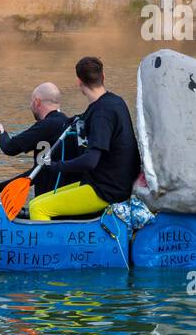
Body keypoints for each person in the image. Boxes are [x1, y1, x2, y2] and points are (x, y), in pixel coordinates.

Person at [25, 57, 141, 221]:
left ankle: (53, 247)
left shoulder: (101, 113)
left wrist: (55, 165)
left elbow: (90, 161)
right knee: (35, 201)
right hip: (109, 182)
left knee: (39, 208)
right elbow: (86, 118)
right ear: (103, 76)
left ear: (79, 82)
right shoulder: (115, 101)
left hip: (107, 190)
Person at [0, 82, 81, 200]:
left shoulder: (46, 126)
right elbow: (38, 173)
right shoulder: (69, 125)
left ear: (37, 101)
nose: (30, 106)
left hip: (49, 203)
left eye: (31, 102)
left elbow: (10, 148)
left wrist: (1, 132)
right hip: (70, 197)